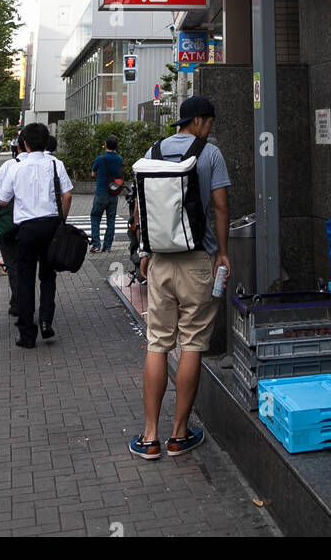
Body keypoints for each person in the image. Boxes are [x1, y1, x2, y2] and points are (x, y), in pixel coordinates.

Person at [129, 96, 230, 460]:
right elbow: (221, 204)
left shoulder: (153, 151)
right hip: (197, 262)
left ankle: (150, 437)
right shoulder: (211, 154)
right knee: (191, 345)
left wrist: (144, 252)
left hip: (158, 260)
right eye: (210, 122)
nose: (211, 128)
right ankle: (178, 435)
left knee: (157, 343)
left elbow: (141, 207)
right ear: (200, 121)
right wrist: (222, 252)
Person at [0, 121, 74, 349]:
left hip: (26, 228)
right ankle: (45, 322)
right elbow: (67, 195)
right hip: (51, 225)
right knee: (48, 276)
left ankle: (27, 334)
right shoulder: (55, 164)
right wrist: (62, 220)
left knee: (25, 278)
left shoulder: (16, 167)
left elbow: (3, 199)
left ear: (25, 144)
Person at [0, 131, 27, 318]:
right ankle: (18, 300)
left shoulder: (9, 165)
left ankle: (20, 303)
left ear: (18, 146)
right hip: (34, 224)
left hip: (9, 223)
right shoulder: (48, 164)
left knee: (12, 265)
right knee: (26, 265)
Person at [90, 135, 125, 253]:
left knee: (95, 217)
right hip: (114, 192)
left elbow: (93, 174)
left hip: (101, 192)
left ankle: (96, 244)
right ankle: (107, 246)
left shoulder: (100, 159)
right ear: (117, 146)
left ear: (105, 145)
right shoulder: (119, 159)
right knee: (111, 220)